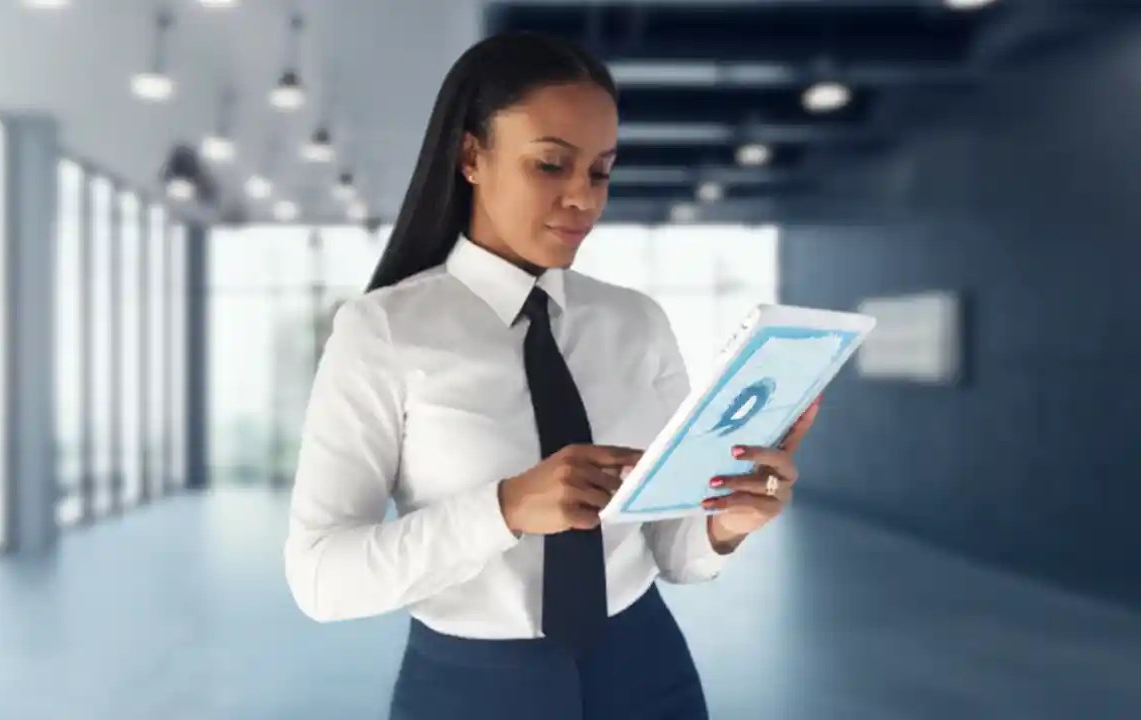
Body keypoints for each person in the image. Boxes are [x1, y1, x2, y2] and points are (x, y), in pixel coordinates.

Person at [284, 31, 821, 720]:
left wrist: (728, 523)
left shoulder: (636, 323)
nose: (582, 199)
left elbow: (675, 552)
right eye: (549, 165)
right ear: (472, 156)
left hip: (646, 669)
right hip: (471, 686)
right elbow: (322, 578)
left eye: (599, 171)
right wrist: (505, 509)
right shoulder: (382, 332)